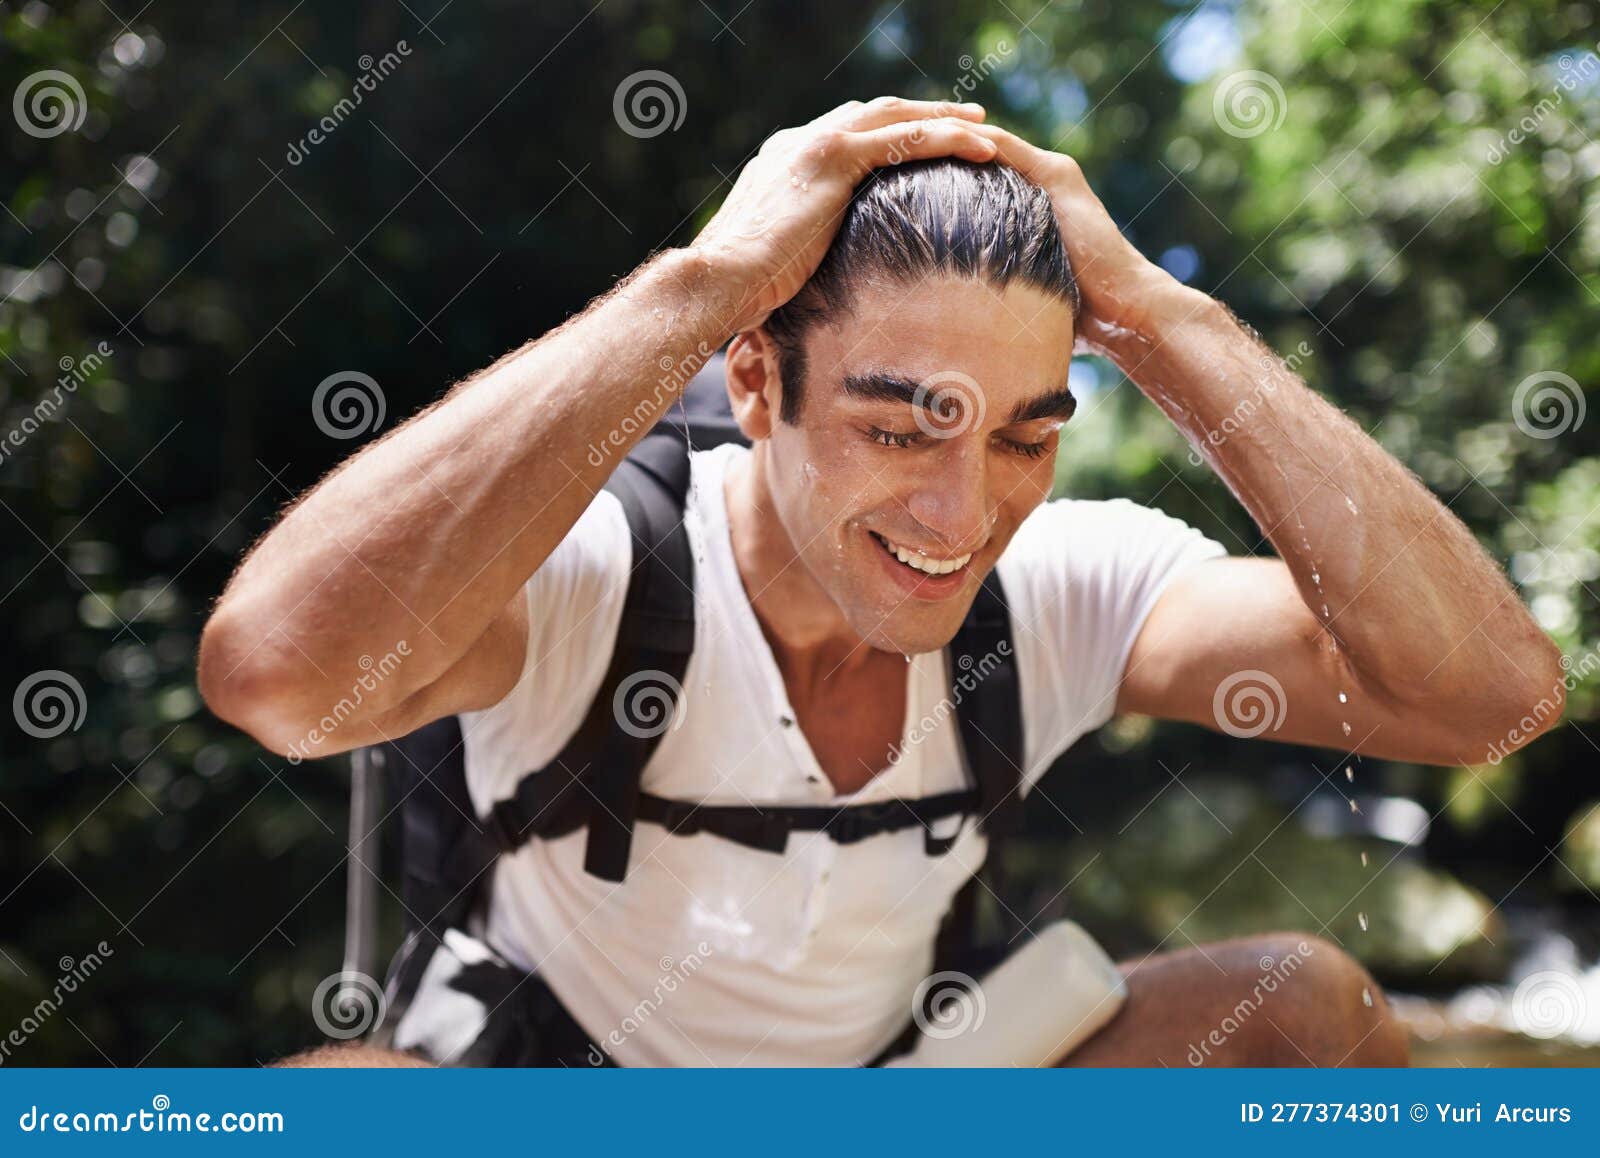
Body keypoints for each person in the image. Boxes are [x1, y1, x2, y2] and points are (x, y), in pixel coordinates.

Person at [199, 98, 1560, 1067]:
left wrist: (1160, 314)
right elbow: (275, 673)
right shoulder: (605, 572)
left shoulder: (1059, 585)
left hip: (899, 1089)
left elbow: (1487, 703)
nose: (960, 514)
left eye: (1025, 434)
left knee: (1301, 1006)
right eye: (900, 426)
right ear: (754, 383)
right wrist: (710, 279)